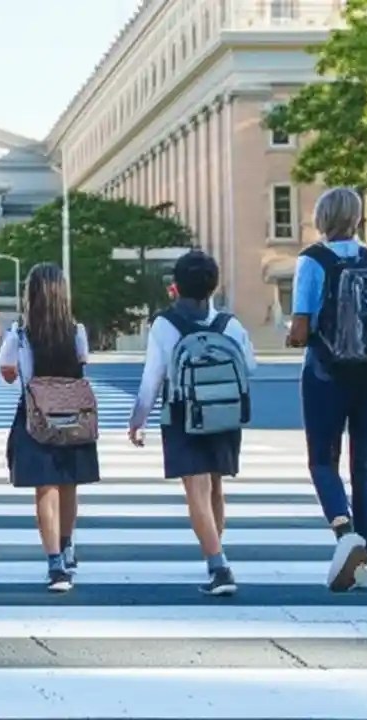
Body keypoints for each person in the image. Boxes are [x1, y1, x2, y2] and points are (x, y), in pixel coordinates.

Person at [287, 187, 367, 592]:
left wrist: (291, 336)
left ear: (321, 218)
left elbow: (301, 330)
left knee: (323, 461)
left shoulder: (313, 261)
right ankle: (365, 565)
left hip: (329, 373)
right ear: (357, 219)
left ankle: (346, 536)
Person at [128, 249, 256, 596]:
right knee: (215, 486)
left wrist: (138, 418)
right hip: (225, 414)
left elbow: (153, 376)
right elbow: (250, 365)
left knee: (196, 490)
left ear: (175, 287)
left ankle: (219, 566)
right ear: (213, 287)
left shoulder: (164, 325)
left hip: (184, 413)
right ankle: (216, 554)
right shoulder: (230, 324)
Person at [0, 262, 99, 593]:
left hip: (36, 416)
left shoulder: (20, 334)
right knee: (70, 484)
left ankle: (54, 562)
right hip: (73, 415)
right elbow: (82, 365)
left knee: (46, 487)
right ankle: (67, 547)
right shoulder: (76, 330)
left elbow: (7, 370)